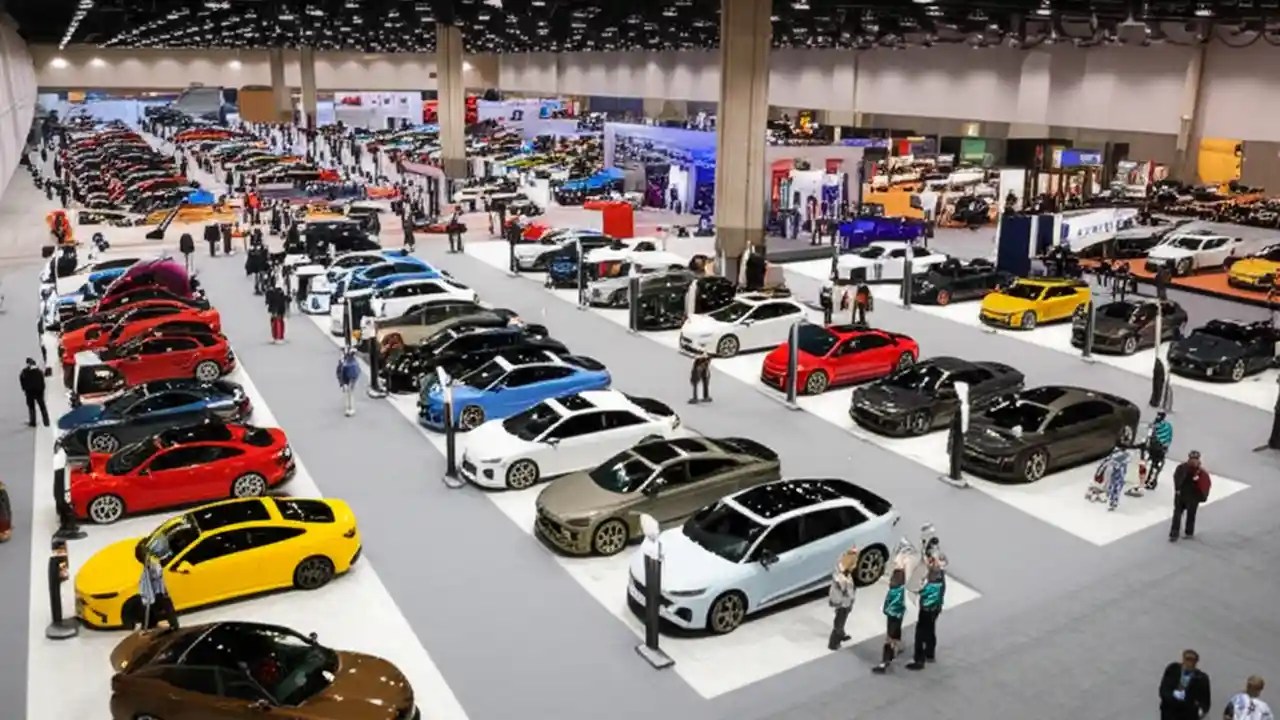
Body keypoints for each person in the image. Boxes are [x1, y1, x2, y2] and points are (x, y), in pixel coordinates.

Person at [906, 540, 946, 671]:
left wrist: (918, 590)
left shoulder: (933, 580)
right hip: (936, 607)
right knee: (930, 630)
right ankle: (930, 653)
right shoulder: (940, 576)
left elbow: (923, 590)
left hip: (928, 608)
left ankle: (919, 660)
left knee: (921, 632)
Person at [872, 556, 908, 673]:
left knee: (889, 638)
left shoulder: (894, 593)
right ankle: (897, 647)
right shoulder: (901, 589)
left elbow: (889, 606)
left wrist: (886, 611)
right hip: (899, 615)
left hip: (893, 616)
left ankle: (885, 662)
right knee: (896, 633)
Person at [1160, 649, 1212, 720]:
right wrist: (1173, 694)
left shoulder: (1202, 679)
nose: (1189, 663)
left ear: (1196, 662)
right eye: (1187, 659)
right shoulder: (1172, 669)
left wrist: (1199, 711)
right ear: (1183, 659)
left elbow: (1205, 703)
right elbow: (1163, 690)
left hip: (1188, 715)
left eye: (1192, 660)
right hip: (1169, 713)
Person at [1171, 450, 1210, 541]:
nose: (1193, 461)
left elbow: (1205, 484)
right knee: (1177, 513)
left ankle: (1189, 532)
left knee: (1191, 514)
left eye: (1195, 459)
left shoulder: (1201, 472)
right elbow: (1176, 477)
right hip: (1181, 494)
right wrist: (1177, 489)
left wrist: (1202, 495)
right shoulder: (1181, 468)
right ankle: (1174, 533)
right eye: (1192, 459)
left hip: (1193, 497)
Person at [827, 547, 858, 651]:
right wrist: (851, 596)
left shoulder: (842, 567)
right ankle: (834, 642)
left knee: (841, 617)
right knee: (841, 618)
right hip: (842, 601)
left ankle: (841, 633)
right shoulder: (842, 577)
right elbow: (846, 590)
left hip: (843, 600)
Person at [138, 552, 178, 629]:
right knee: (158, 611)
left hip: (159, 592)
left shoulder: (155, 566)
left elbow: (157, 575)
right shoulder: (146, 570)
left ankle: (173, 625)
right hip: (155, 594)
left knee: (167, 609)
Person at [20, 357, 49, 427]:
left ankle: (32, 422)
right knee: (42, 406)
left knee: (31, 407)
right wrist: (42, 390)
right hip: (39, 391)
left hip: (29, 392)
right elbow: (42, 382)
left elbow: (21, 380)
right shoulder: (39, 371)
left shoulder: (24, 372)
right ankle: (46, 422)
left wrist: (24, 388)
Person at [1148, 411, 1174, 487]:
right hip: (1161, 448)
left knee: (1153, 465)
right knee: (1156, 465)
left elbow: (1150, 436)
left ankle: (1150, 480)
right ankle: (1152, 480)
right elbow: (1169, 437)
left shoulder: (1155, 426)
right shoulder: (1168, 426)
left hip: (1155, 448)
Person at [336, 348, 361, 417]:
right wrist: (342, 383)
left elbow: (341, 373)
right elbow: (340, 374)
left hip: (351, 375)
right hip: (349, 375)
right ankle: (349, 408)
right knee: (349, 392)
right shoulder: (344, 363)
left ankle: (350, 408)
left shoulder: (348, 363)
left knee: (349, 392)